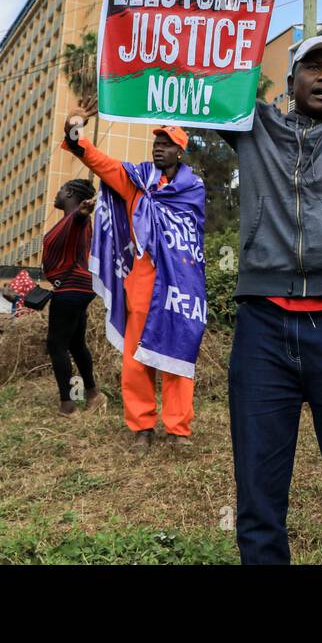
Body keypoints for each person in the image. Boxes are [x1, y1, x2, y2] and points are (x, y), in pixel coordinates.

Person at [164, 0, 322, 565]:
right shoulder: (253, 128)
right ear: (290, 80)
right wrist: (142, 1)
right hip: (264, 330)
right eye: (313, 68)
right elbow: (197, 72)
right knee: (259, 502)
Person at [62, 120, 206, 453]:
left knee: (178, 356)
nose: (159, 146)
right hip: (142, 283)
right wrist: (75, 136)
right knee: (136, 360)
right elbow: (100, 162)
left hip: (181, 285)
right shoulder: (136, 182)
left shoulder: (194, 188)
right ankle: (142, 427)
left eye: (167, 142)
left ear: (180, 150)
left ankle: (178, 430)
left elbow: (193, 241)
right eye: (157, 140)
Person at [41, 178, 105, 419]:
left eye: (60, 190)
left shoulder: (77, 220)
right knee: (76, 344)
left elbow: (78, 218)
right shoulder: (69, 221)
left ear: (69, 193)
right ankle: (93, 394)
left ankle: (67, 405)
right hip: (80, 287)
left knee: (56, 345)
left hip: (70, 289)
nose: (57, 194)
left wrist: (82, 211)